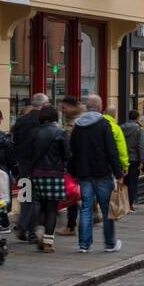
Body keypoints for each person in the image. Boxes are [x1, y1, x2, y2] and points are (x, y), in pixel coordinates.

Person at [69, 95, 124, 253]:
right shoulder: (104, 124)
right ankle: (109, 243)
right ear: (100, 107)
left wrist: (73, 172)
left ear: (87, 107)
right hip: (102, 173)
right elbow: (111, 150)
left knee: (86, 208)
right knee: (107, 209)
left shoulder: (78, 126)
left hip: (84, 174)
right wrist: (118, 172)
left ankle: (84, 245)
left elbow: (72, 150)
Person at [28, 106, 70, 253]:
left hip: (37, 174)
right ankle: (47, 242)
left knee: (38, 205)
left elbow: (28, 154)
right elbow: (67, 154)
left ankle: (38, 232)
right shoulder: (61, 132)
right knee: (52, 209)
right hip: (55, 175)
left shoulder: (34, 132)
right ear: (55, 117)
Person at [12, 93, 50, 239]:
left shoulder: (21, 121)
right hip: (39, 164)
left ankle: (23, 225)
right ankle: (33, 232)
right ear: (45, 105)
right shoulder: (43, 122)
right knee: (36, 198)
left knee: (25, 197)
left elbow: (14, 141)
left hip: (24, 164)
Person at [54, 96, 85, 236]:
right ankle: (72, 224)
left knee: (73, 193)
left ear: (72, 107)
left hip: (75, 163)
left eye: (65, 107)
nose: (62, 110)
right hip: (78, 163)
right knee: (76, 193)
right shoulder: (76, 119)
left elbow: (69, 144)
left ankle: (71, 226)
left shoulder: (75, 122)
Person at [120, 110, 144, 212]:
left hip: (122, 159)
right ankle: (129, 204)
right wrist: (142, 160)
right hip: (134, 159)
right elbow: (141, 146)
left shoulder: (121, 127)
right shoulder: (139, 129)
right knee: (133, 183)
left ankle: (123, 203)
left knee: (124, 182)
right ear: (137, 118)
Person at [103, 107, 129, 181]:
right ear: (114, 116)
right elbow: (121, 148)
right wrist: (125, 165)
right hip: (109, 165)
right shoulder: (116, 128)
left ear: (104, 112)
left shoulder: (96, 125)